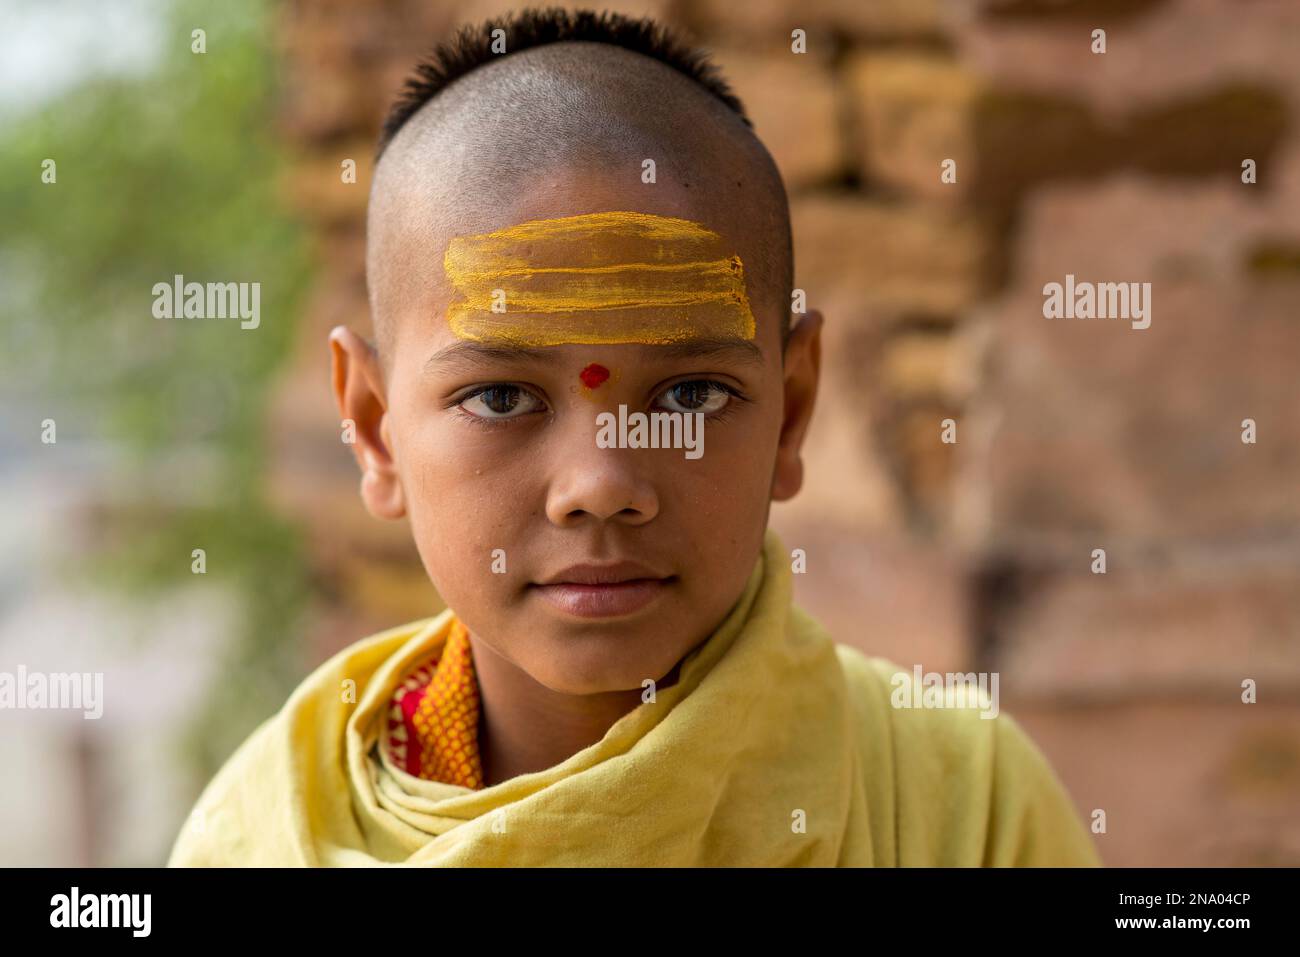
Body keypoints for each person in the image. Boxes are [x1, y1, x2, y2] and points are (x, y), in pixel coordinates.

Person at [168, 7, 1101, 867]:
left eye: (690, 393)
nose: (599, 480)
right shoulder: (268, 833)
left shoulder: (957, 804)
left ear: (794, 407)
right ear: (373, 429)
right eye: (499, 397)